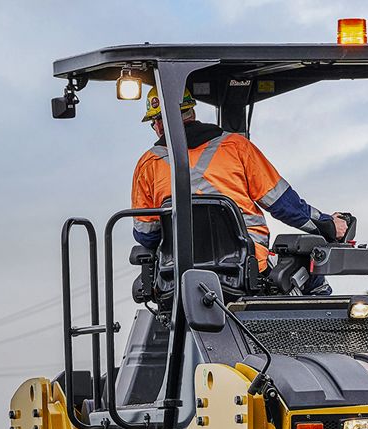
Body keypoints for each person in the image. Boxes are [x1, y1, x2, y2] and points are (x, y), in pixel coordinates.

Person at [131, 87, 348, 293]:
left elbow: (146, 235)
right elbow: (282, 203)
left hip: (178, 274)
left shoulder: (147, 164)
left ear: (158, 125)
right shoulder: (236, 146)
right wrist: (328, 226)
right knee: (313, 278)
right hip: (248, 266)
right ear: (192, 111)